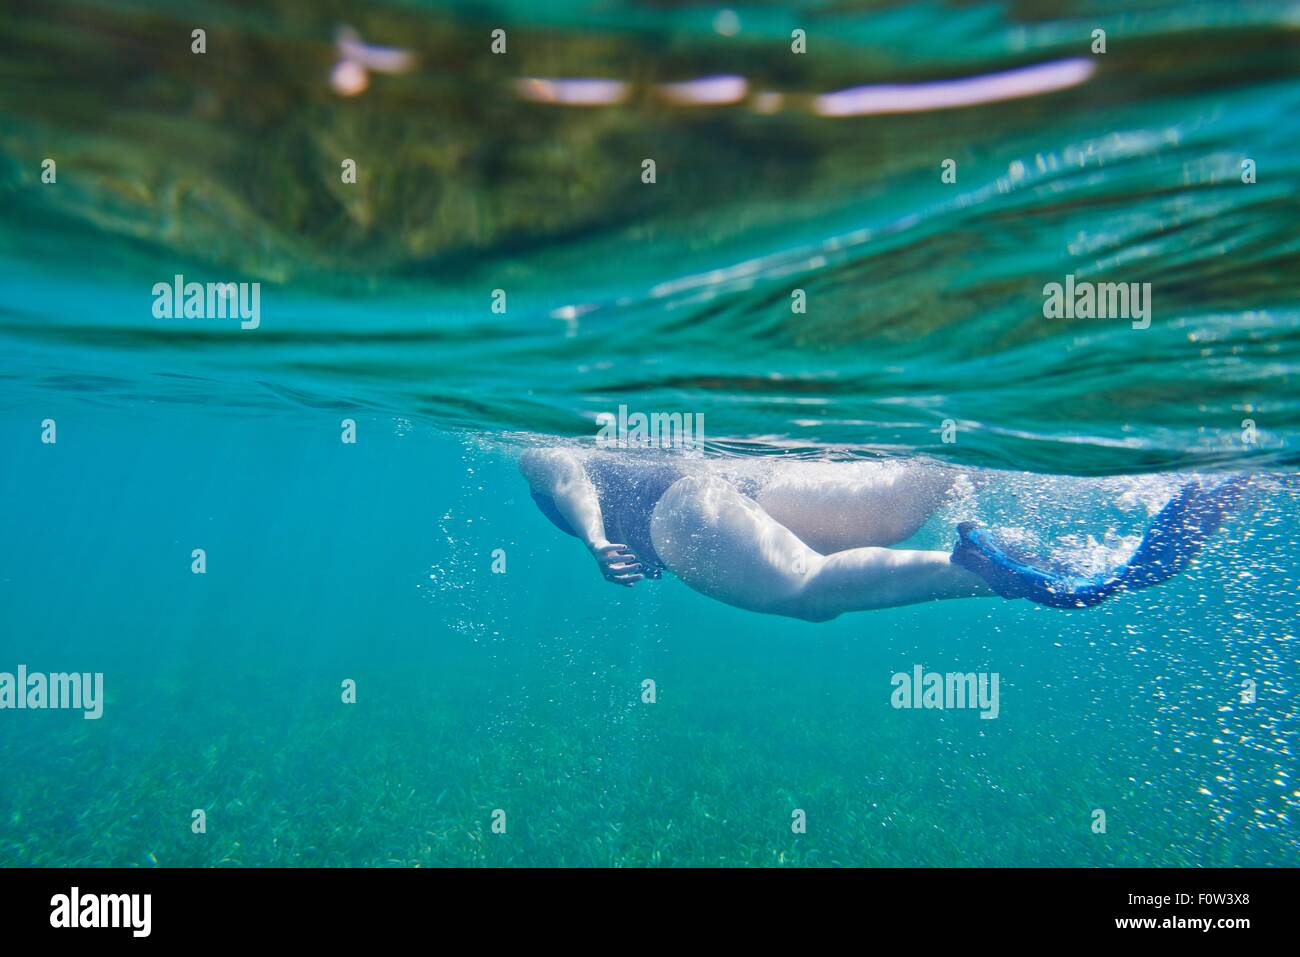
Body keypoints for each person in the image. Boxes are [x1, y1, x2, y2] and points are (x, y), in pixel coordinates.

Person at [519, 447, 1247, 622]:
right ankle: (1164, 487)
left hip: (678, 514)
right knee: (904, 497)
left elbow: (567, 481)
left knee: (807, 589)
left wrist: (592, 540)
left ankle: (971, 567)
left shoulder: (540, 446)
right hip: (731, 482)